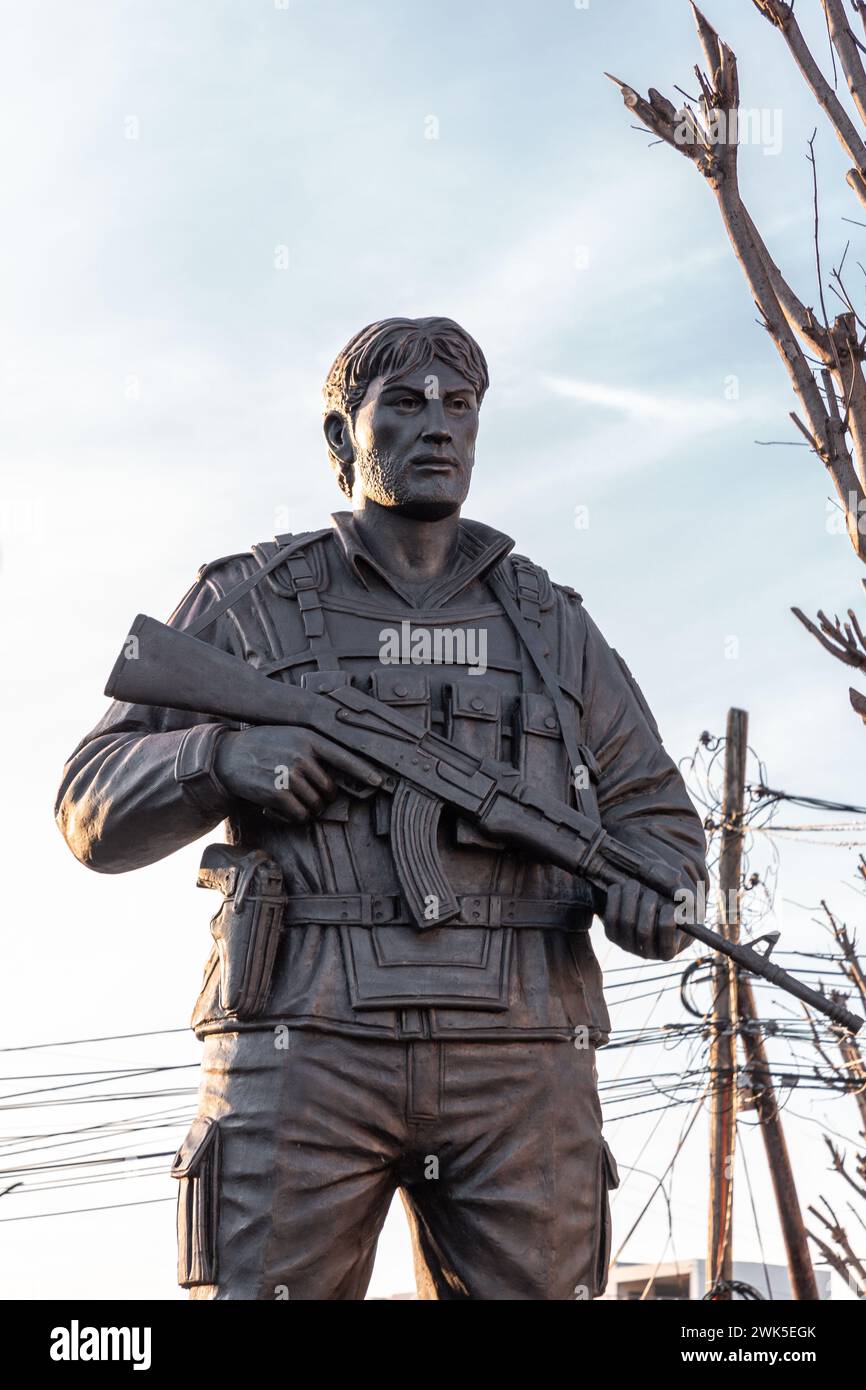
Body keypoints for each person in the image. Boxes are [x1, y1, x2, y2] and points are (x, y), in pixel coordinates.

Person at [56, 315, 707, 1300]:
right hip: (299, 1045)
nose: (437, 425)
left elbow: (655, 819)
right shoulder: (246, 605)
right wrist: (222, 757)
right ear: (340, 440)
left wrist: (657, 894)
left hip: (522, 1059)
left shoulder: (550, 626)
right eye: (402, 403)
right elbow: (88, 804)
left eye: (459, 406)